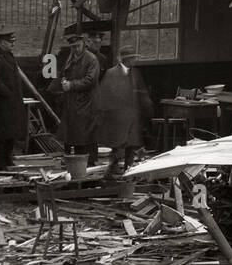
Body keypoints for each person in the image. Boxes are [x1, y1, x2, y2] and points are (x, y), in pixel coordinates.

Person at [95, 43, 154, 179]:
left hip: (133, 116)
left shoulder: (136, 73)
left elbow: (142, 92)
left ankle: (129, 170)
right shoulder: (111, 73)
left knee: (131, 145)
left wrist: (147, 106)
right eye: (132, 58)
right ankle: (112, 170)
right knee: (119, 145)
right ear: (125, 59)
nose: (134, 60)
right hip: (117, 117)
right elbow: (105, 95)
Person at [49, 32, 100, 165]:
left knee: (84, 135)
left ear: (83, 44)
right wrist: (64, 81)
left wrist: (71, 85)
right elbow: (66, 73)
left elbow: (91, 80)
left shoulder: (91, 59)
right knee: (75, 135)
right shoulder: (71, 58)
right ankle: (78, 162)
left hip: (86, 103)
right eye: (73, 47)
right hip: (72, 102)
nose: (75, 49)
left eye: (77, 46)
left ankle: (87, 162)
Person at [0, 28, 27, 171]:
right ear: (2, 43)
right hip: (2, 103)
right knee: (1, 135)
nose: (12, 45)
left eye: (13, 42)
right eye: (10, 42)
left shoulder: (9, 56)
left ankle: (7, 159)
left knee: (11, 133)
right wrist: (7, 92)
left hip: (12, 103)